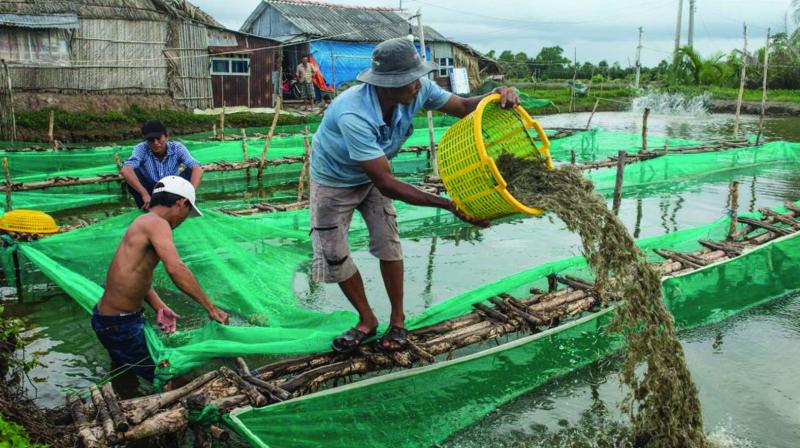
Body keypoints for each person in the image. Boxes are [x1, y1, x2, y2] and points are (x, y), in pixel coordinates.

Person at [310, 37, 520, 353]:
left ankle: (397, 321)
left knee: (388, 241)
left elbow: (463, 107)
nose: (418, 85)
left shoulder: (418, 89)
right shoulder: (354, 114)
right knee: (334, 253)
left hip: (376, 174)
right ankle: (366, 320)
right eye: (409, 80)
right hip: (334, 180)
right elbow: (387, 184)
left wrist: (494, 96)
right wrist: (449, 204)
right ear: (386, 84)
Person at [91, 176, 228, 383]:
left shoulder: (143, 221)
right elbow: (176, 269)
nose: (183, 220)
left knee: (124, 373)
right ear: (181, 203)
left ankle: (125, 401)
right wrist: (212, 309)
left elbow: (135, 273)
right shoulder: (158, 224)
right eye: (187, 213)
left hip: (110, 319)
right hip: (120, 324)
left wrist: (159, 306)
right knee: (168, 377)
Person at [122, 120, 204, 210]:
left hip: (172, 188)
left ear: (166, 136)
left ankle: (185, 202)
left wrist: (190, 193)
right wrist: (144, 194)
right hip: (150, 189)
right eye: (151, 140)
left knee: (192, 170)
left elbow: (197, 168)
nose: (156, 143)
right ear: (146, 140)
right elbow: (126, 169)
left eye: (159, 138)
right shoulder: (142, 148)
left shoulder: (177, 148)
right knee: (132, 172)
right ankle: (147, 207)